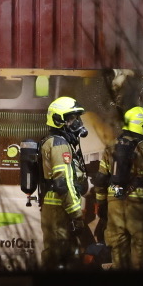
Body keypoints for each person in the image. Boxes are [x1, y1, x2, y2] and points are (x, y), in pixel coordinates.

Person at [104, 104, 143, 270]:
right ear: (142, 125)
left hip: (114, 203)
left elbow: (101, 178)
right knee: (140, 250)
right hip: (138, 205)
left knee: (117, 252)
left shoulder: (111, 145)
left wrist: (102, 204)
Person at [37, 95, 91, 269]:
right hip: (58, 208)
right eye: (72, 118)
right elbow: (63, 182)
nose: (77, 123)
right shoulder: (59, 144)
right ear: (58, 120)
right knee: (57, 254)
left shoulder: (61, 142)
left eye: (77, 118)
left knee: (61, 252)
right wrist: (77, 215)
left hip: (58, 207)